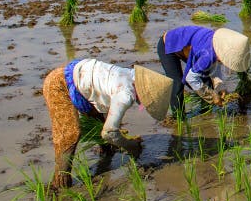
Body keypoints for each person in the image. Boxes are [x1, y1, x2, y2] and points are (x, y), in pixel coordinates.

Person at [43, 59, 172, 190]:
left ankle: (107, 152)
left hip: (79, 74)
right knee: (69, 135)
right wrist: (130, 146)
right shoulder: (125, 94)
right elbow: (109, 132)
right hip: (58, 85)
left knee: (99, 120)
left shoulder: (131, 75)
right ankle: (60, 183)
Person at [157, 26, 251, 119]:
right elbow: (191, 78)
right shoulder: (208, 55)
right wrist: (211, 96)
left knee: (206, 82)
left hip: (189, 48)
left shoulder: (218, 46)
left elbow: (214, 67)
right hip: (168, 45)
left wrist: (219, 86)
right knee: (177, 84)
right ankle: (178, 118)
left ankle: (206, 113)